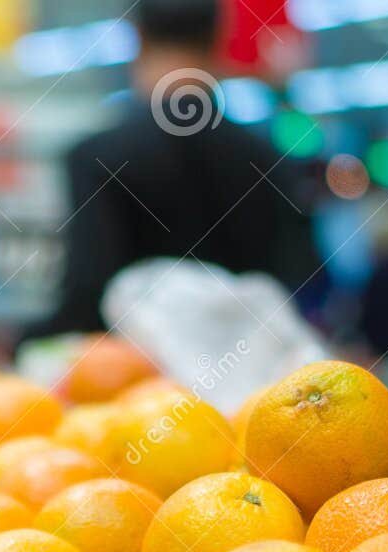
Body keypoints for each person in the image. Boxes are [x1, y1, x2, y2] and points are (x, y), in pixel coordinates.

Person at [19, 0, 320, 341]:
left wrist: (12, 341)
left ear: (138, 37)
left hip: (137, 383)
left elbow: (86, 296)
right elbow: (298, 283)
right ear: (221, 38)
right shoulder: (269, 159)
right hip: (247, 380)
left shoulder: (97, 158)